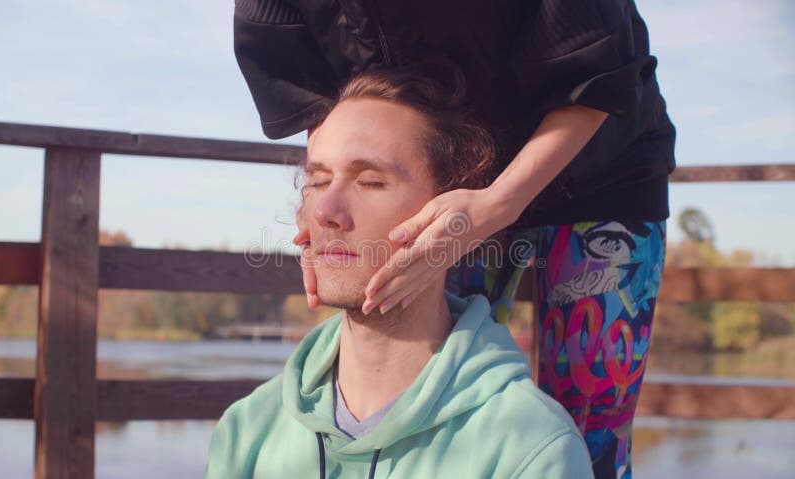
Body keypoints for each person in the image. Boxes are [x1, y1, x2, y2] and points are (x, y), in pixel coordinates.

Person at [233, 1, 674, 476]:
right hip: (436, 173)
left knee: (594, 435)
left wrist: (499, 202)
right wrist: (326, 195)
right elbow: (314, 96)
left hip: (598, 166)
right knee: (429, 401)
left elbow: (599, 72)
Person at [205, 68, 594, 478]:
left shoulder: (531, 452)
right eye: (318, 182)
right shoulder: (245, 433)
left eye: (370, 182)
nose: (325, 211)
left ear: (448, 215)